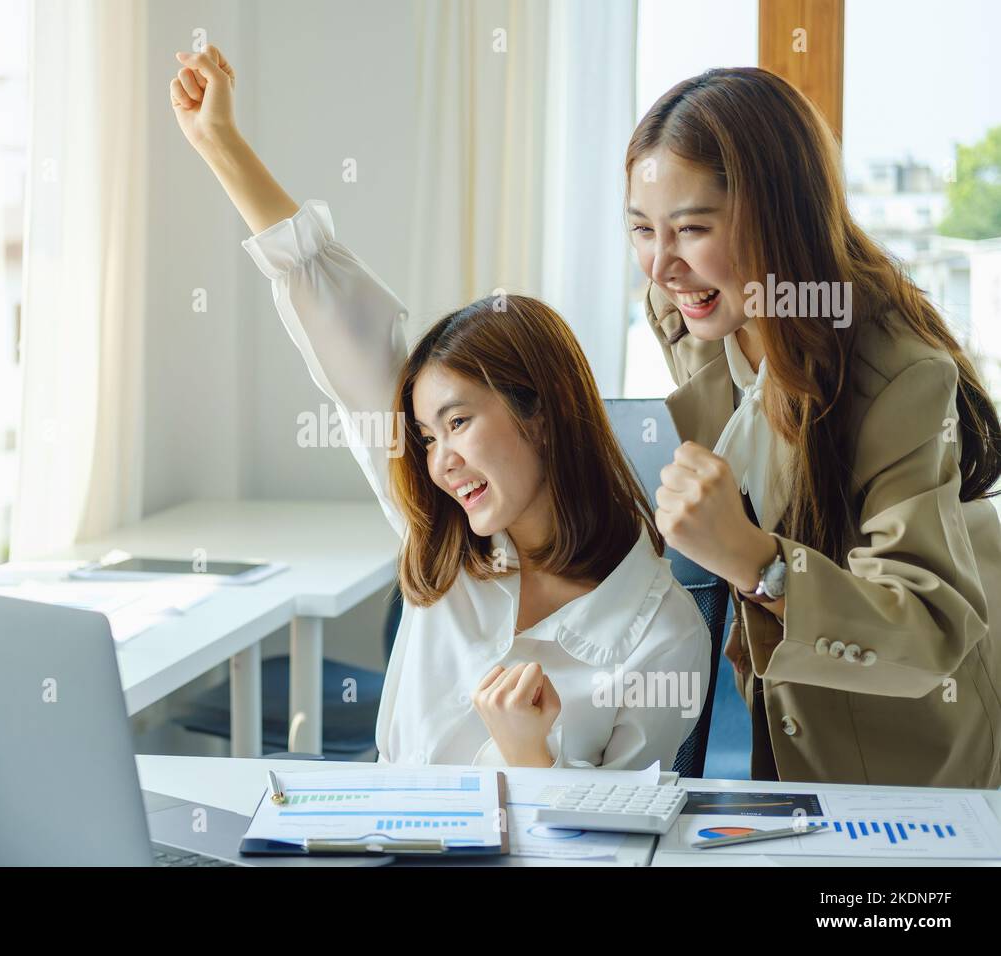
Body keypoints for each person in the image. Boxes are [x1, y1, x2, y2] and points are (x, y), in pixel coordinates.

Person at [170, 45, 709, 769]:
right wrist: (220, 144)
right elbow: (343, 328)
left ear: (542, 415)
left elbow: (609, 845)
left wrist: (528, 755)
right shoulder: (449, 542)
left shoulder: (664, 633)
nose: (440, 461)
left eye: (457, 423)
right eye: (425, 436)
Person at [627, 68, 1001, 788]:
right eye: (642, 228)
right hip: (775, 744)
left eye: (692, 228)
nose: (662, 264)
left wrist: (756, 563)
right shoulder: (697, 308)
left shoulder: (897, 374)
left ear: (779, 217)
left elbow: (927, 627)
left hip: (910, 756)